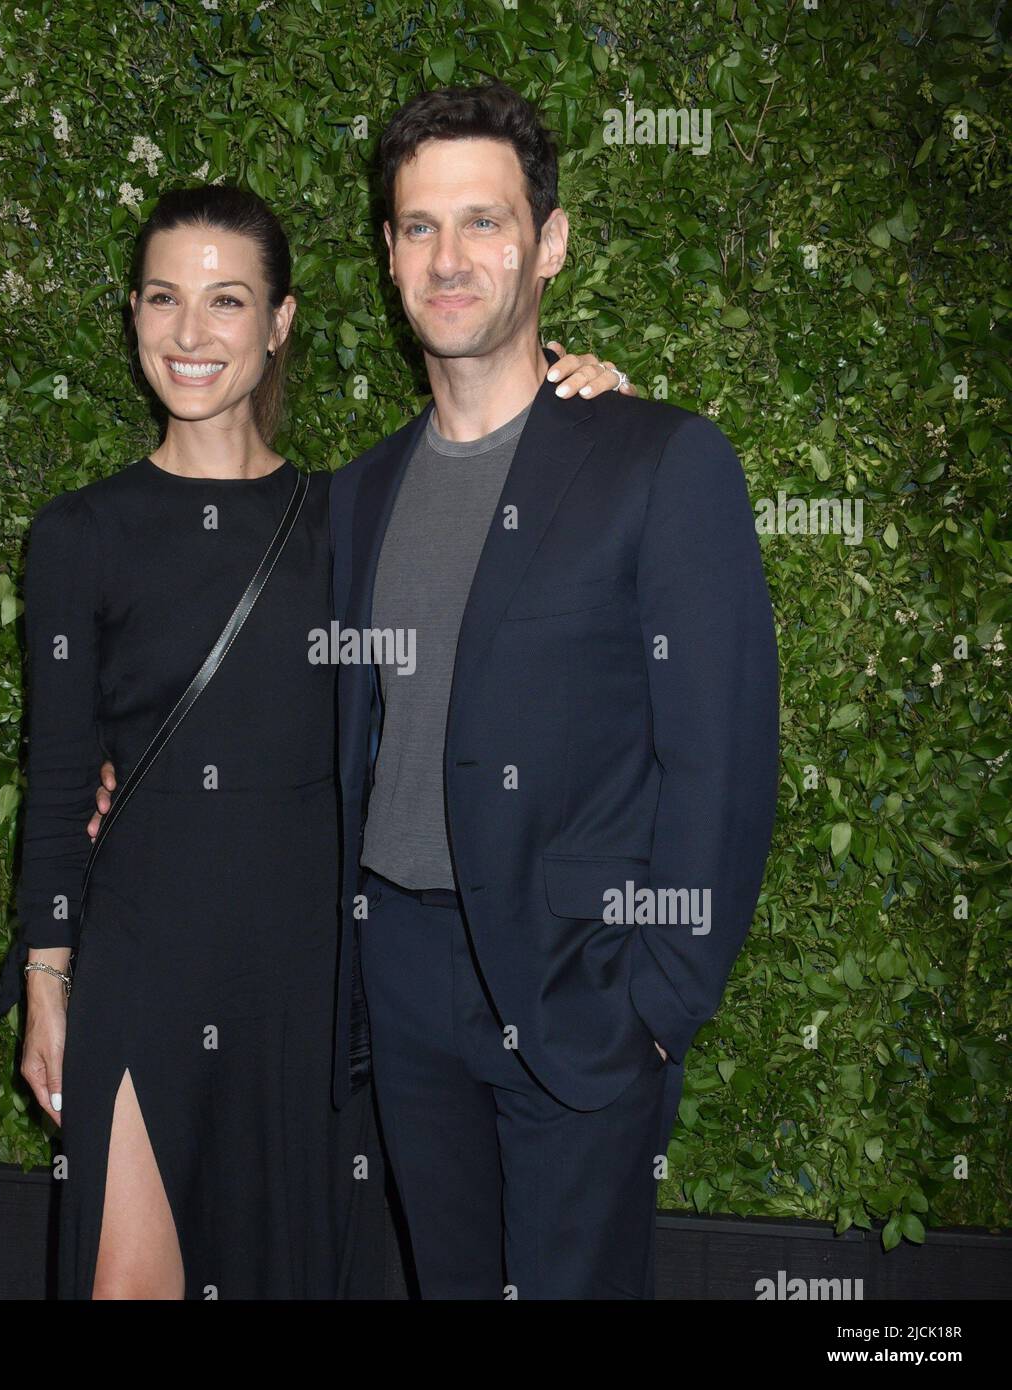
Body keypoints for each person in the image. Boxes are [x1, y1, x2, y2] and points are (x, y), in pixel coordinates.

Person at [0, 181, 634, 1298]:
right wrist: (48, 984)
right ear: (133, 314)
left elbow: (510, 523)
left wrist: (589, 400)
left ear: (278, 321)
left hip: (312, 979)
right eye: (161, 298)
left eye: (226, 301)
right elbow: (58, 783)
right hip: (140, 969)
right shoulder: (76, 535)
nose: (190, 334)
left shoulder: (356, 517)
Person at [324, 81, 780, 1299]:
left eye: (485, 221)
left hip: (582, 984)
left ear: (551, 243)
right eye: (419, 226)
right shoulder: (357, 494)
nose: (451, 256)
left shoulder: (657, 457)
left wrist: (657, 1000)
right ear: (387, 255)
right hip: (404, 976)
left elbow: (721, 762)